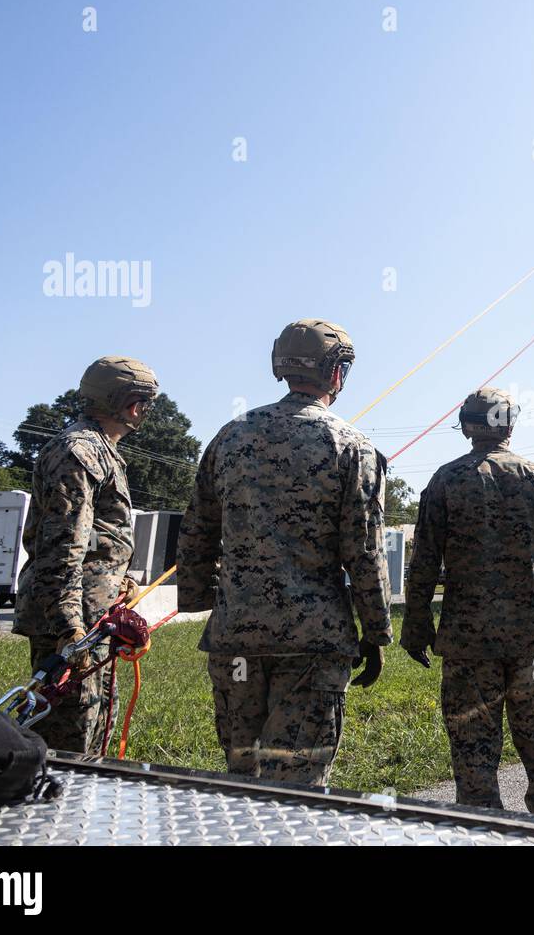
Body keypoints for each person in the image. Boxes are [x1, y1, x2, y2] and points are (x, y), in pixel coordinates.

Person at [178, 319, 391, 787]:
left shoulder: (229, 437)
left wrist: (197, 602)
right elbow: (364, 551)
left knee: (240, 778)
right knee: (297, 787)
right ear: (337, 373)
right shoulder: (351, 446)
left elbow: (196, 531)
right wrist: (375, 631)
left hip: (235, 640)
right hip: (313, 643)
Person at [402, 387, 534, 816]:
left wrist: (416, 629)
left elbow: (424, 563)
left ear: (467, 426)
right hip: (533, 640)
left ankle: (480, 822)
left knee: (472, 739)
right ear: (509, 424)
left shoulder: (446, 481)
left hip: (469, 645)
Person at [13, 355, 158, 754]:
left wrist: (117, 582)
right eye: (146, 403)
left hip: (94, 618)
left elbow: (95, 537)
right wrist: (69, 629)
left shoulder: (101, 450)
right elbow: (61, 546)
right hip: (74, 624)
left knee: (93, 739)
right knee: (67, 749)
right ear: (132, 403)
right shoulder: (81, 451)